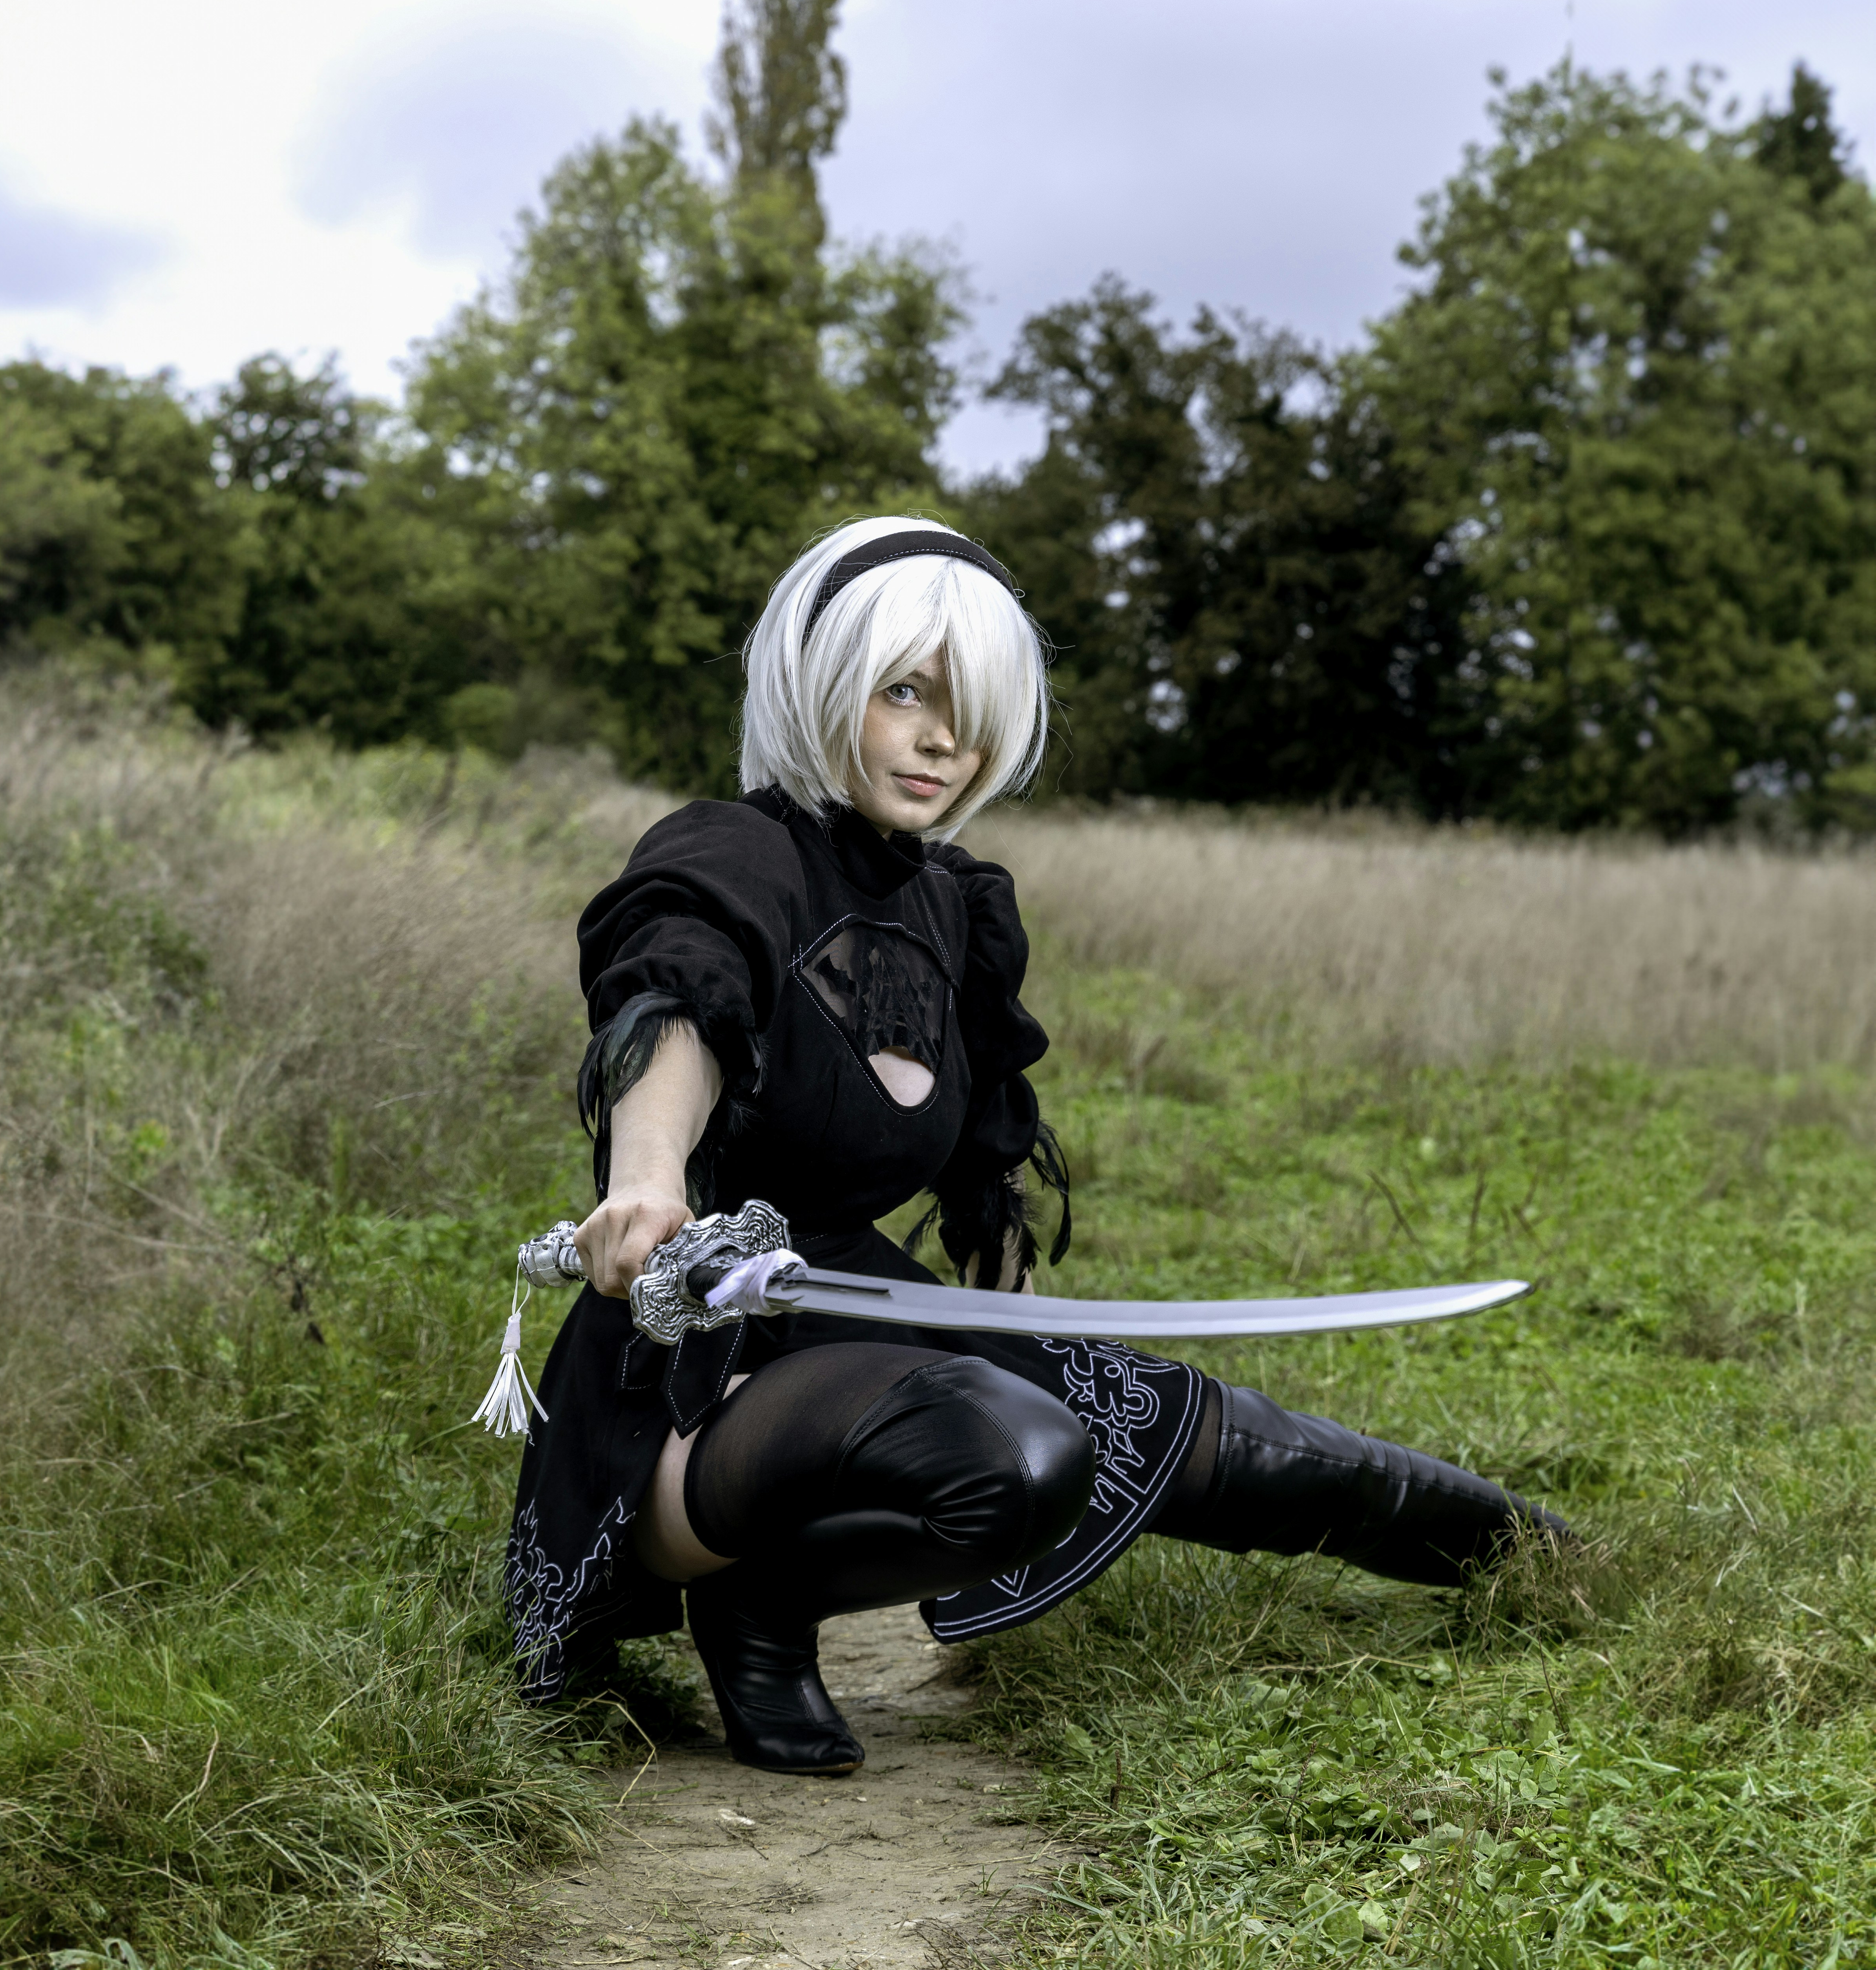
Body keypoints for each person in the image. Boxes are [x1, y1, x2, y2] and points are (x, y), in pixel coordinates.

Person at [507, 515, 1564, 1775]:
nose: (944, 739)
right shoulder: (736, 852)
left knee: (1177, 1428)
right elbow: (677, 996)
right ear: (819, 681)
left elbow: (981, 1170)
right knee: (1016, 1457)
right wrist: (645, 1184)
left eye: (975, 708)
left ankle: (1540, 1558)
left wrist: (1027, 1333)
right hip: (696, 1369)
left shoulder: (953, 907)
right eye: (905, 693)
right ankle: (766, 1599)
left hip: (857, 1304)